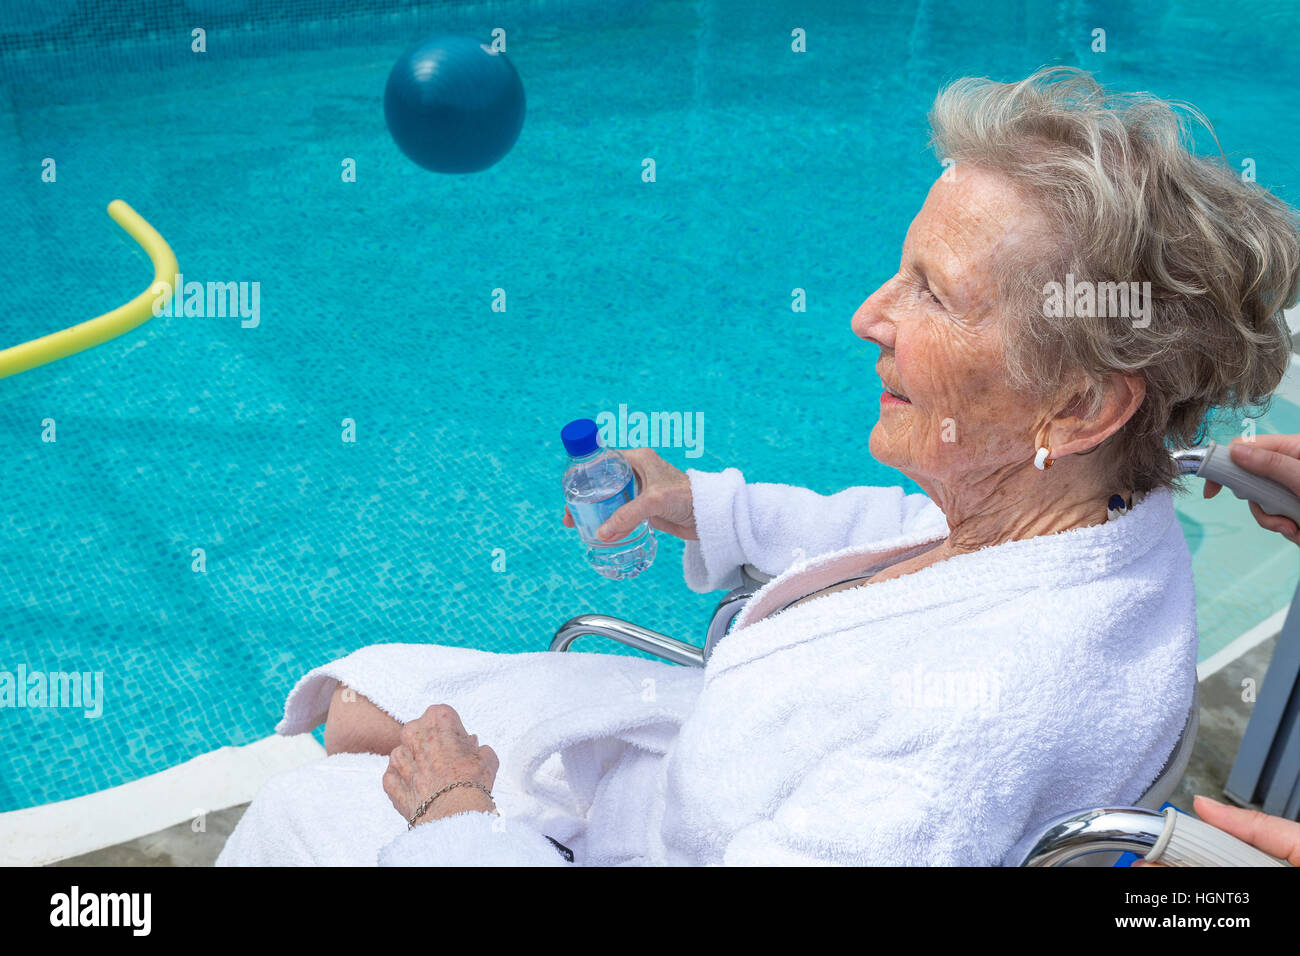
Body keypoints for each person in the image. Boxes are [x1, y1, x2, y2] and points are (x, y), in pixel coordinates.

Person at [217, 66, 1300, 867]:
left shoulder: (973, 727)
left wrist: (456, 818)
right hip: (683, 761)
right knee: (359, 703)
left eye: (932, 291)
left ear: (1076, 404)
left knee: (297, 813)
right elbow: (896, 539)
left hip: (639, 838)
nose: (866, 316)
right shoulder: (1076, 514)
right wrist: (709, 506)